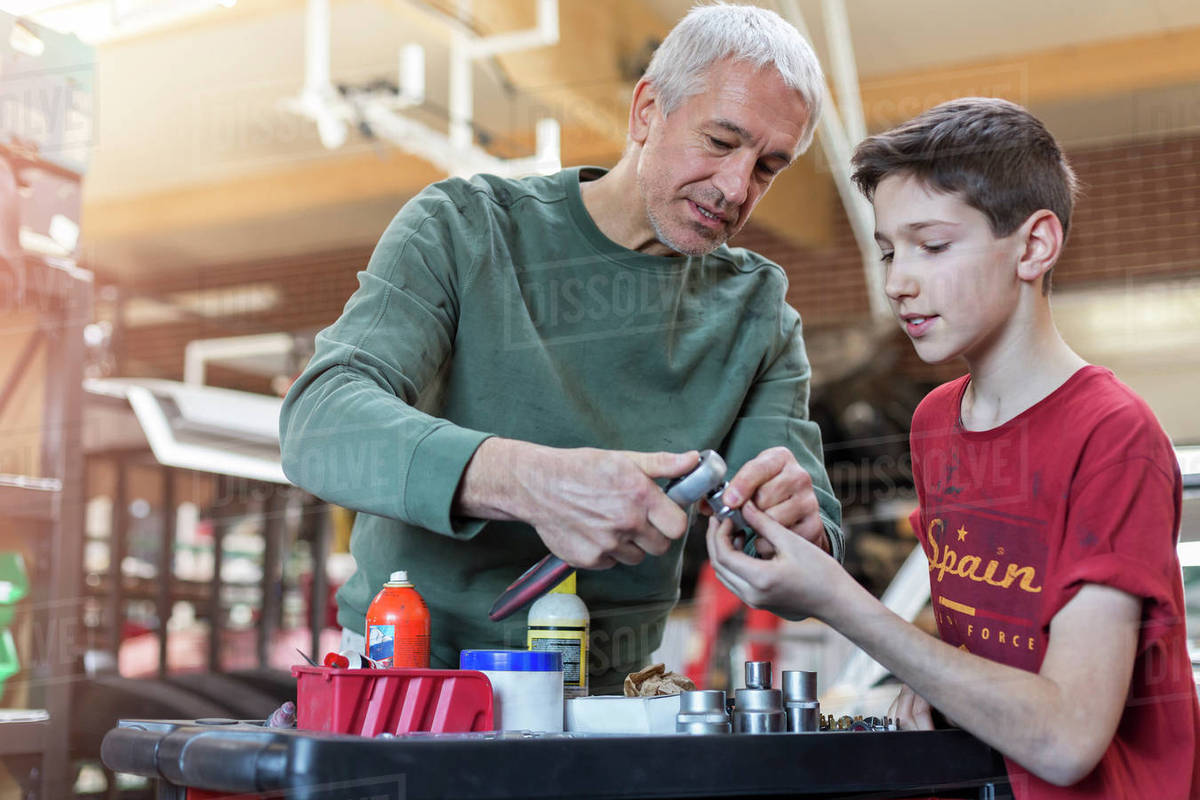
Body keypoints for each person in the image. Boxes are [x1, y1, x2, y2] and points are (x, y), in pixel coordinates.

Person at [279, 3, 844, 694]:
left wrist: (798, 530)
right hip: (407, 676)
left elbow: (802, 566)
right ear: (646, 112)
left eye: (768, 167)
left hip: (608, 700)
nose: (736, 188)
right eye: (721, 142)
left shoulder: (757, 311)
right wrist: (535, 483)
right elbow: (320, 424)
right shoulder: (463, 229)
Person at [708, 97, 1199, 797]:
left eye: (931, 246)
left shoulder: (1113, 436)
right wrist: (937, 676)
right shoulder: (939, 421)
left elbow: (1066, 740)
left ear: (1033, 246)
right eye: (887, 250)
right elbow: (987, 615)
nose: (897, 282)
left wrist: (839, 600)